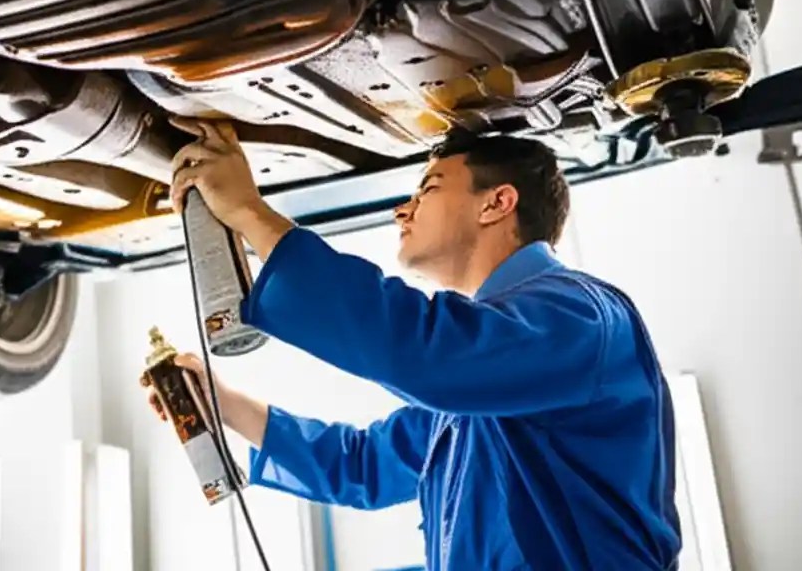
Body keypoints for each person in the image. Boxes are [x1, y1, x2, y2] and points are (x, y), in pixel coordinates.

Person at [143, 118, 682, 570]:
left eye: (427, 189)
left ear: (497, 203)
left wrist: (251, 215)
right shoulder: (478, 386)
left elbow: (422, 351)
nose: (401, 211)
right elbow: (363, 465)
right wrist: (219, 402)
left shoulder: (582, 315)